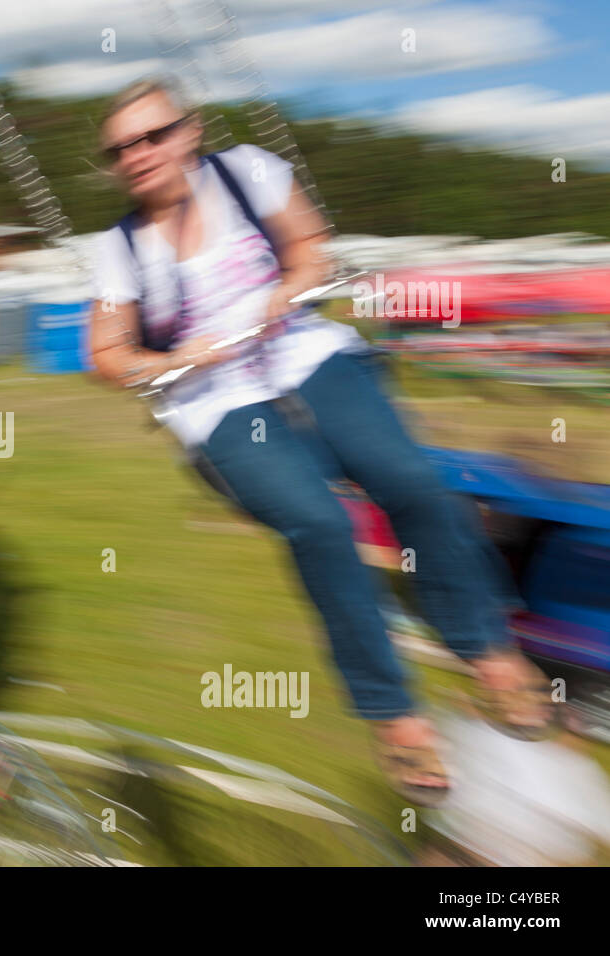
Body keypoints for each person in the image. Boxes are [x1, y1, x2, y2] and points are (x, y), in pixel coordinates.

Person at [88, 76, 555, 806]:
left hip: (303, 352)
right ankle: (394, 716)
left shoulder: (247, 174)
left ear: (190, 131)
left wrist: (287, 289)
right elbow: (109, 357)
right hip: (217, 395)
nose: (138, 155)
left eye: (153, 136)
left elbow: (311, 249)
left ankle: (485, 650)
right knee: (318, 522)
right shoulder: (122, 249)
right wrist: (180, 359)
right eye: (121, 149)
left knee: (414, 481)